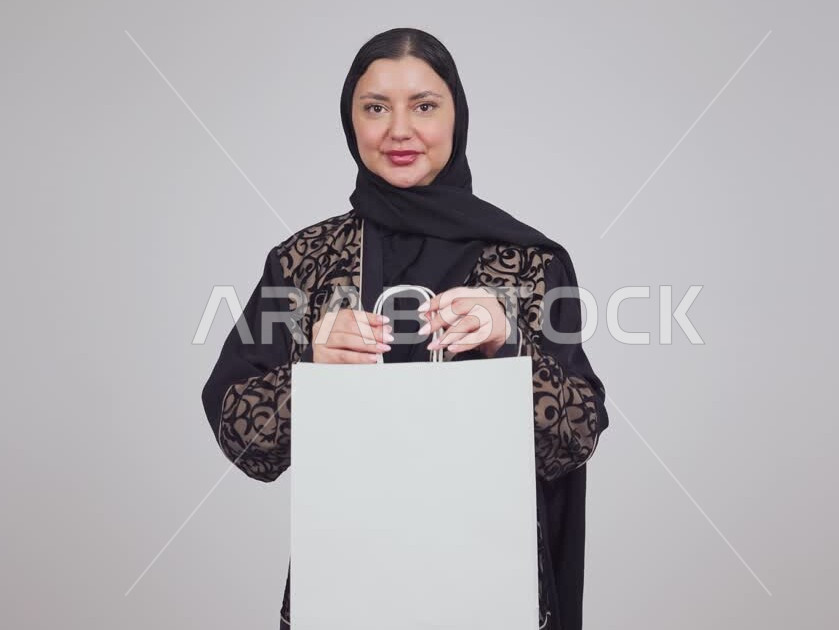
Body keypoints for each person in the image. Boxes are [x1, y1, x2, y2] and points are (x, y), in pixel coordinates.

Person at [200, 27, 610, 630]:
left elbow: (577, 436)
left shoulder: (531, 263)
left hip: (494, 593)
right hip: (346, 589)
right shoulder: (304, 261)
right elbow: (245, 445)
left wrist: (511, 347)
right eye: (375, 107)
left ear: (456, 116)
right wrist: (309, 372)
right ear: (351, 122)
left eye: (424, 105)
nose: (399, 130)